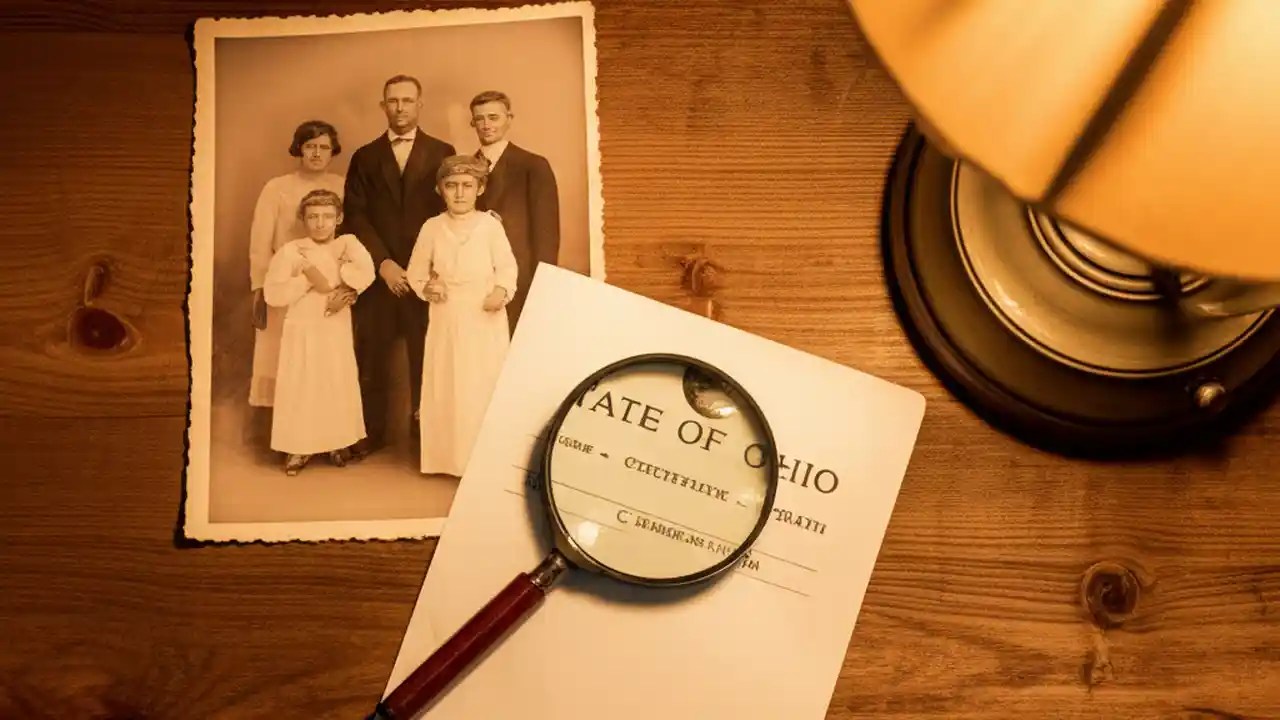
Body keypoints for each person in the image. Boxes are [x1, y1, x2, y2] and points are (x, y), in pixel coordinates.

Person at [340, 74, 456, 459]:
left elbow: (449, 214)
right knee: (371, 354)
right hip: (380, 276)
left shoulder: (443, 152)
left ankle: (427, 437)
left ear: (420, 105)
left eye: (407, 100)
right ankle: (370, 434)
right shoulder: (365, 156)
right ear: (383, 106)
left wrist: (427, 268)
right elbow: (355, 215)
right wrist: (383, 263)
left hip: (426, 275)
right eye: (393, 101)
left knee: (429, 356)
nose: (400, 107)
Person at [406, 155, 518, 476]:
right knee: (450, 382)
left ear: (479, 189)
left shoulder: (490, 226)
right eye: (451, 185)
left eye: (467, 186)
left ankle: (485, 460)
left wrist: (501, 290)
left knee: (482, 381)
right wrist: (428, 287)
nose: (459, 193)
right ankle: (450, 459)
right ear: (440, 189)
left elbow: (507, 266)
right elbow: (416, 272)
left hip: (484, 314)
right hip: (448, 313)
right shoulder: (432, 227)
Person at [262, 189, 376, 476]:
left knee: (334, 380)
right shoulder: (293, 251)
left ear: (339, 218)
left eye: (327, 216)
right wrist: (306, 279)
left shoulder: (347, 244)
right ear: (303, 219)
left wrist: (348, 286)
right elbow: (273, 293)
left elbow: (367, 272)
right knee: (302, 383)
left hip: (334, 326)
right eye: (313, 217)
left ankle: (335, 442)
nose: (320, 223)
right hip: (302, 326)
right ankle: (299, 447)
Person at [246, 120, 345, 434]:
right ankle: (287, 434)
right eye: (310, 146)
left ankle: (327, 432)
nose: (316, 153)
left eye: (324, 147)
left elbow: (350, 240)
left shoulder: (343, 186)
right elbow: (260, 243)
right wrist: (260, 288)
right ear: (299, 149)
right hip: (286, 283)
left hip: (328, 284)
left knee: (325, 359)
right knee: (283, 358)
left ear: (333, 151)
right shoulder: (277, 188)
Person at [468, 90, 560, 334]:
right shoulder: (464, 169)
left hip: (520, 277)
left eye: (493, 117)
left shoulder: (533, 165)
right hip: (474, 279)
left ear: (509, 119)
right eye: (479, 119)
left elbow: (546, 233)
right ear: (472, 123)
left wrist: (543, 284)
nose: (486, 125)